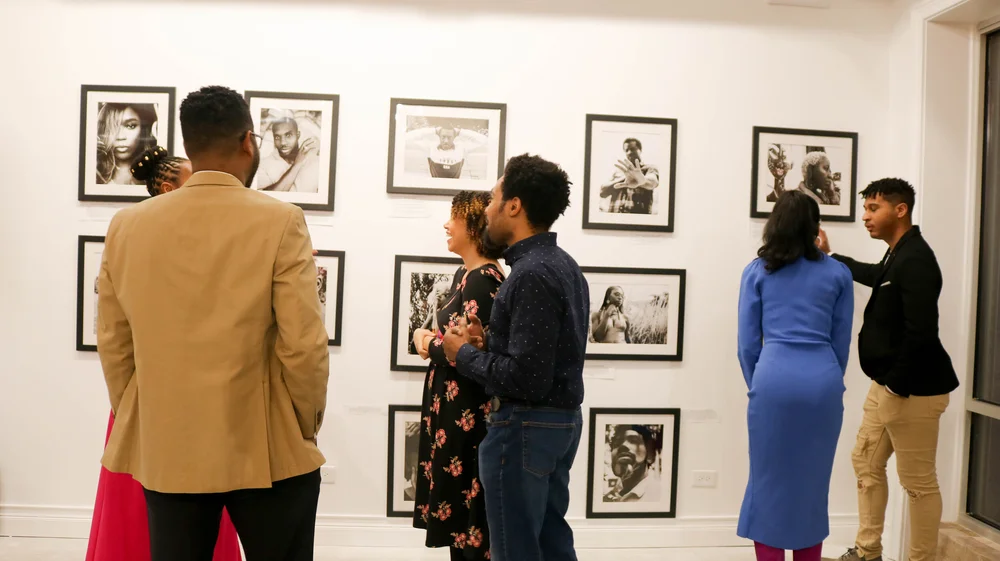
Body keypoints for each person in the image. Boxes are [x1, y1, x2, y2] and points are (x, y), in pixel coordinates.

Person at [96, 85, 330, 561]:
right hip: (267, 444)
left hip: (169, 443)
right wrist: (304, 422)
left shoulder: (127, 225)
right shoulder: (281, 220)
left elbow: (115, 342)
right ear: (247, 142)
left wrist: (145, 413)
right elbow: (303, 342)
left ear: (189, 144)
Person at [85, 146, 242, 561]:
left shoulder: (135, 237)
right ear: (169, 188)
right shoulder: (145, 240)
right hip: (155, 396)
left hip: (154, 396)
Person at [442, 154, 589, 561]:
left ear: (514, 206)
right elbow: (546, 354)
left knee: (516, 550)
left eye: (493, 198)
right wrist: (489, 344)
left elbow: (527, 378)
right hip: (556, 423)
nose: (487, 209)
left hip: (525, 426)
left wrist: (462, 354)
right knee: (551, 543)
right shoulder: (564, 266)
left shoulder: (530, 273)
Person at [819, 178, 959, 561]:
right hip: (886, 385)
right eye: (865, 208)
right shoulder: (897, 254)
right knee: (865, 462)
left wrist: (896, 386)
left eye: (872, 208)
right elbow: (873, 274)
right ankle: (868, 552)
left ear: (900, 210)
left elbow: (921, 332)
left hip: (913, 390)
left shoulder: (917, 259)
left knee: (918, 484)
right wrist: (831, 257)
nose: (865, 217)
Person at [737, 190, 854, 561]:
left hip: (773, 380)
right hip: (822, 381)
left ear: (775, 225)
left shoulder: (757, 271)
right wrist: (827, 380)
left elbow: (746, 345)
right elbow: (841, 341)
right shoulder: (838, 273)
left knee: (767, 485)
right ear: (815, 227)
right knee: (811, 486)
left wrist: (760, 384)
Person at [410, 190, 506, 561]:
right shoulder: (465, 275)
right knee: (458, 522)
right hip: (453, 408)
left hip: (467, 409)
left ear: (474, 225)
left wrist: (424, 341)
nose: (447, 225)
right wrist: (430, 340)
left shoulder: (484, 278)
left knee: (468, 523)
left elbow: (459, 348)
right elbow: (449, 339)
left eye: (455, 217)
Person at [96, 103, 159, 185]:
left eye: (131, 126)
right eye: (111, 127)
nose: (120, 137)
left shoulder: (156, 176)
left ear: (144, 129)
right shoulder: (94, 176)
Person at [256, 116, 320, 193]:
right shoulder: (263, 166)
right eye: (277, 137)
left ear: (298, 135)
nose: (283, 142)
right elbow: (264, 197)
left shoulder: (316, 162)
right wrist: (297, 163)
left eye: (288, 135)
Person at [599, 138, 659, 214]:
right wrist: (624, 179)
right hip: (615, 217)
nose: (629, 152)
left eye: (633, 149)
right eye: (627, 150)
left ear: (640, 150)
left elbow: (653, 182)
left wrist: (642, 180)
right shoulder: (617, 172)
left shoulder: (649, 168)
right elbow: (602, 192)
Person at [602, 425, 661, 503]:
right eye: (617, 444)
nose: (623, 446)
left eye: (633, 441)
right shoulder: (605, 500)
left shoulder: (661, 496)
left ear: (650, 454)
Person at [406, 124, 489, 178]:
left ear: (454, 137)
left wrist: (460, 131)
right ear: (439, 136)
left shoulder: (461, 149)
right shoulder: (431, 147)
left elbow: (484, 140)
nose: (446, 141)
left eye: (449, 137)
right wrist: (434, 130)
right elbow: (407, 137)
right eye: (443, 137)